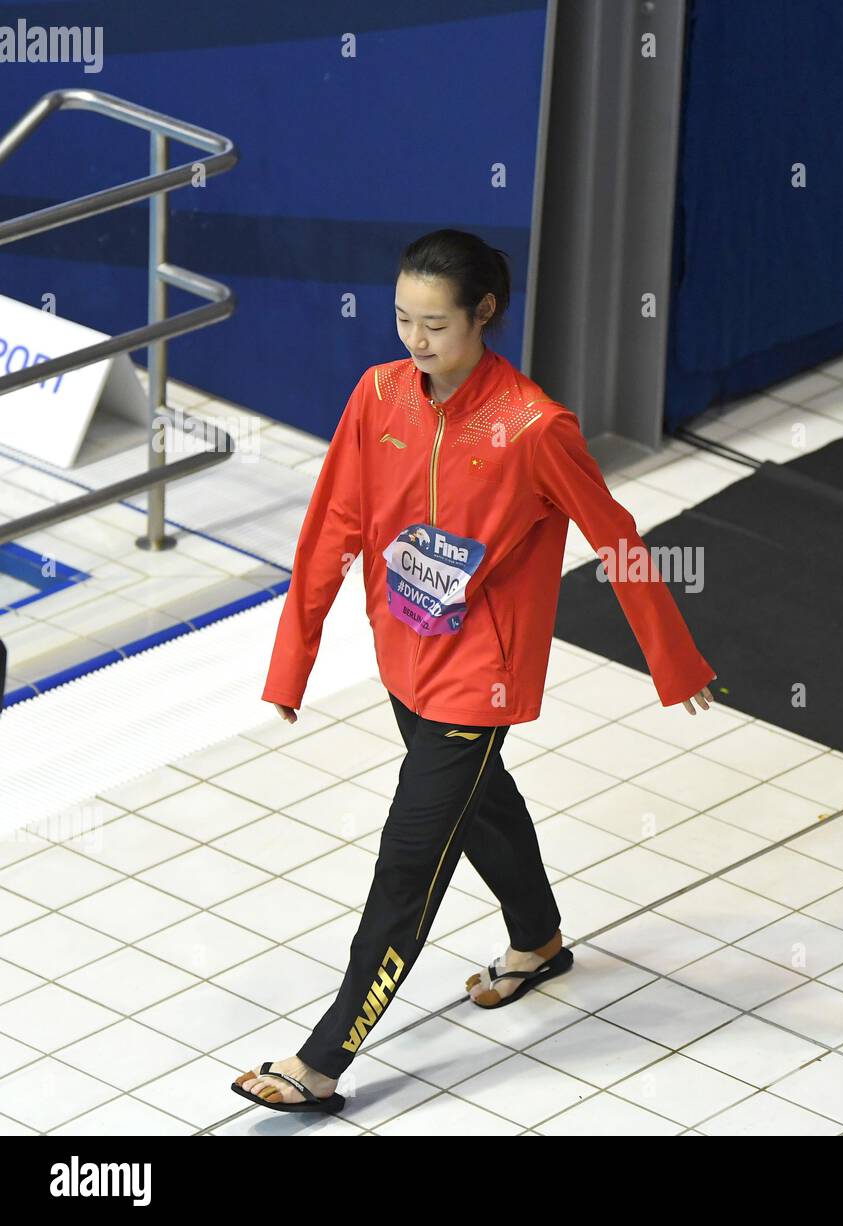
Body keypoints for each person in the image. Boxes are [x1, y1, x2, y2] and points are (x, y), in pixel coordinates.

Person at [232, 229, 717, 1112]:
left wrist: (674, 661)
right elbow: (330, 524)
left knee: (408, 860)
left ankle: (323, 1058)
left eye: (435, 325)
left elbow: (615, 536)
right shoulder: (378, 395)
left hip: (477, 679)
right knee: (481, 801)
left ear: (484, 314)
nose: (414, 342)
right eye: (401, 320)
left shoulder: (536, 428)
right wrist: (289, 663)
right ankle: (538, 940)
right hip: (401, 655)